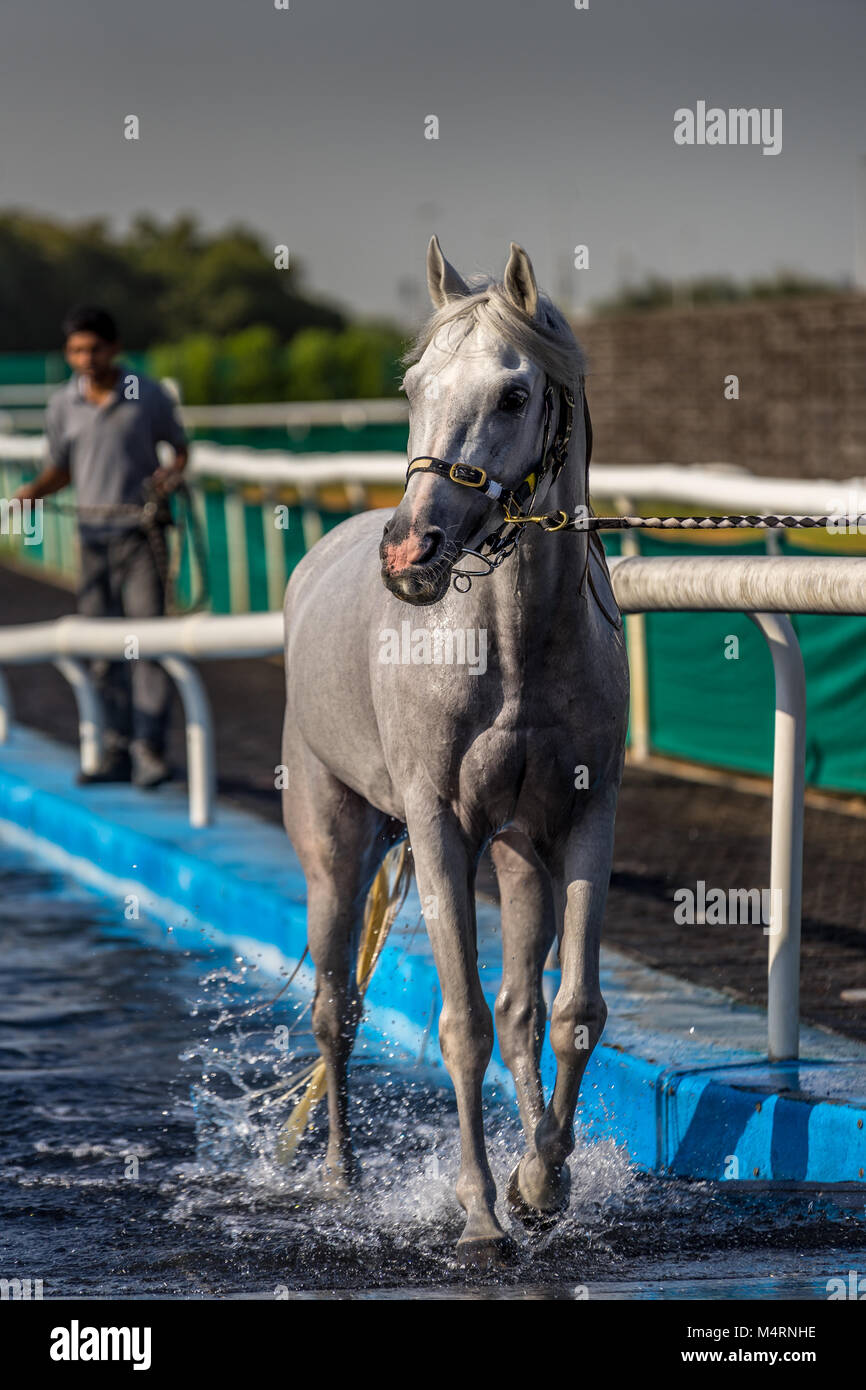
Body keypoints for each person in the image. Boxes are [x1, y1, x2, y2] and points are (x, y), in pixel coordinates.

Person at [15, 306, 189, 788]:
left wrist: (170, 475)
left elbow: (179, 450)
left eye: (93, 348)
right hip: (90, 542)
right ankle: (114, 748)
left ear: (113, 349)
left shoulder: (146, 394)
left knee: (146, 642)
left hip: (141, 537)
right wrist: (31, 492)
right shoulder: (62, 405)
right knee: (99, 649)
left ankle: (150, 750)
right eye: (75, 350)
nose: (85, 358)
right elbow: (62, 469)